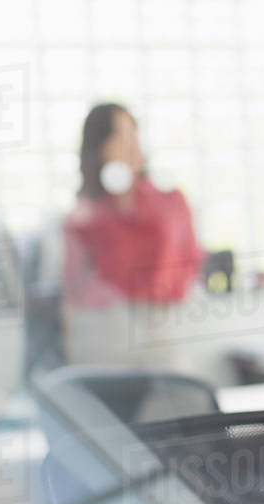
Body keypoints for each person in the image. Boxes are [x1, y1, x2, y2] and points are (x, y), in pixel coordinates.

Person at [62, 103, 204, 367]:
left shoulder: (171, 204)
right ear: (99, 147)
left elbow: (190, 263)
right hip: (105, 339)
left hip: (161, 333)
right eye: (119, 136)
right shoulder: (83, 218)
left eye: (133, 134)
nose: (131, 145)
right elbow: (75, 292)